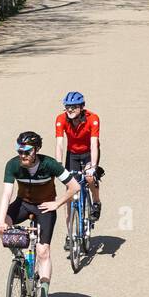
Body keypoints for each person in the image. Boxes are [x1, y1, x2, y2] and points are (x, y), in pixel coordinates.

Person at [0, 131, 77, 297]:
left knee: (43, 251)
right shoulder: (13, 164)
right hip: (23, 204)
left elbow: (75, 186)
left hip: (44, 208)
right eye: (19, 150)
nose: (22, 155)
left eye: (27, 151)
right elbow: (7, 194)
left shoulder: (50, 165)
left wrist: (57, 203)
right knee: (1, 228)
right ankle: (20, 261)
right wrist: (1, 220)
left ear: (36, 150)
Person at [54, 91, 102, 242]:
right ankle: (70, 233)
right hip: (72, 154)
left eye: (74, 107)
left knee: (88, 177)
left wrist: (93, 166)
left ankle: (96, 201)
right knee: (70, 191)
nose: (70, 110)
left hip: (89, 152)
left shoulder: (93, 119)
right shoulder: (61, 119)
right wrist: (58, 165)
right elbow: (60, 144)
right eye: (67, 107)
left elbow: (94, 144)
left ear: (82, 107)